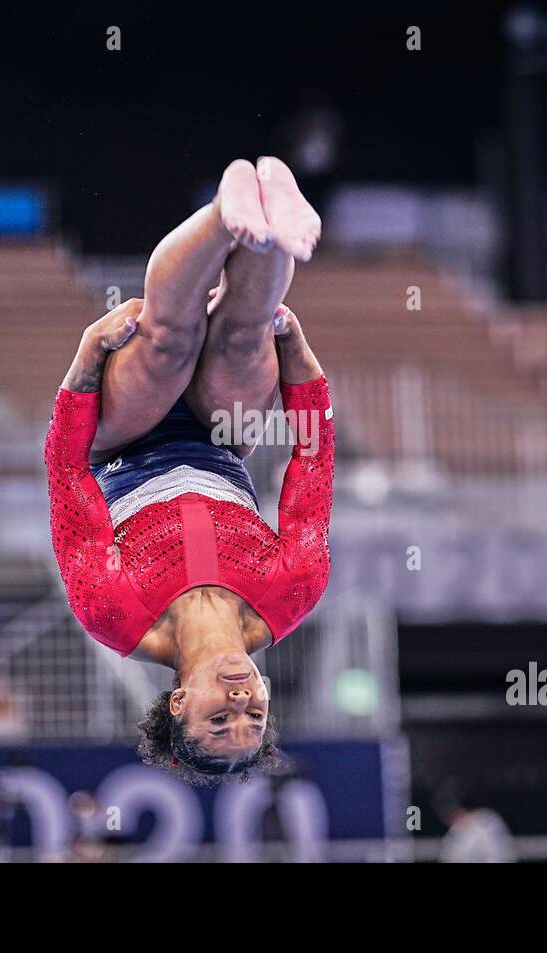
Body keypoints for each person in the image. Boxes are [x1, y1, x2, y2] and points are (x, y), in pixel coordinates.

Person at [45, 158, 333, 785]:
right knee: (244, 339)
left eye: (217, 722)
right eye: (253, 721)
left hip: (124, 439)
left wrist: (85, 359)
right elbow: (311, 473)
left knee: (167, 344)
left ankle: (222, 216)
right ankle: (268, 231)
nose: (239, 708)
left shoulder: (112, 615)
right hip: (220, 442)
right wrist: (302, 364)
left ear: (179, 703)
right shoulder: (291, 596)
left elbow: (67, 484)